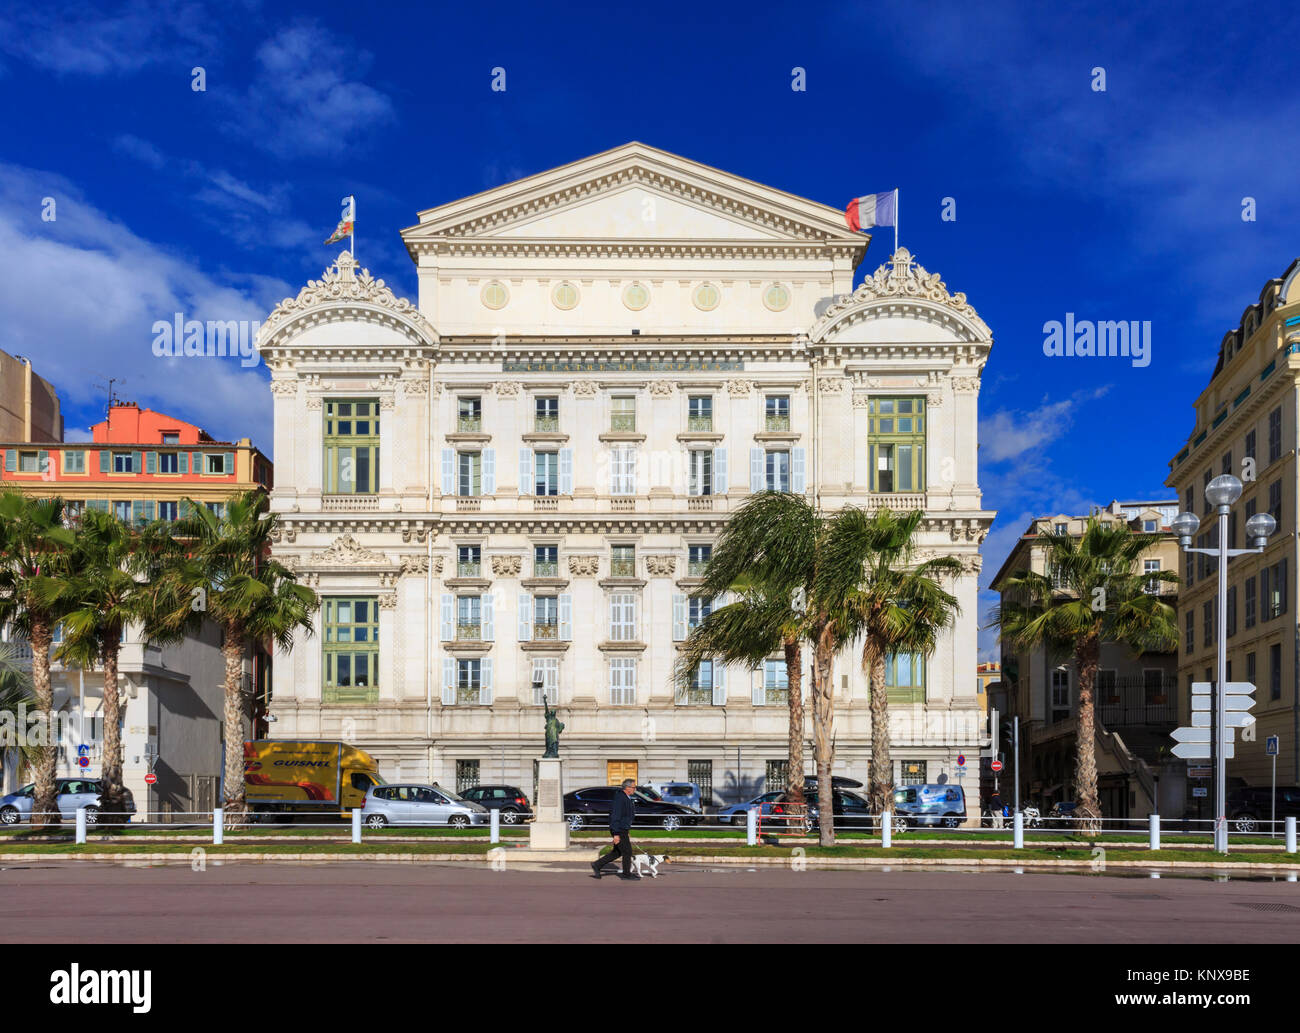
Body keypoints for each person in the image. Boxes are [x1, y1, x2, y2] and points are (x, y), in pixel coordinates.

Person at [592, 779, 639, 880]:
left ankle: (597, 865)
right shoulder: (620, 798)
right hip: (619, 829)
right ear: (627, 788)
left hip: (623, 829)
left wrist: (627, 830)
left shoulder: (626, 797)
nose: (635, 789)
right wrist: (616, 833)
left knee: (617, 852)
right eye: (634, 787)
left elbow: (625, 816)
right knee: (627, 852)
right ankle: (626, 875)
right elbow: (615, 816)